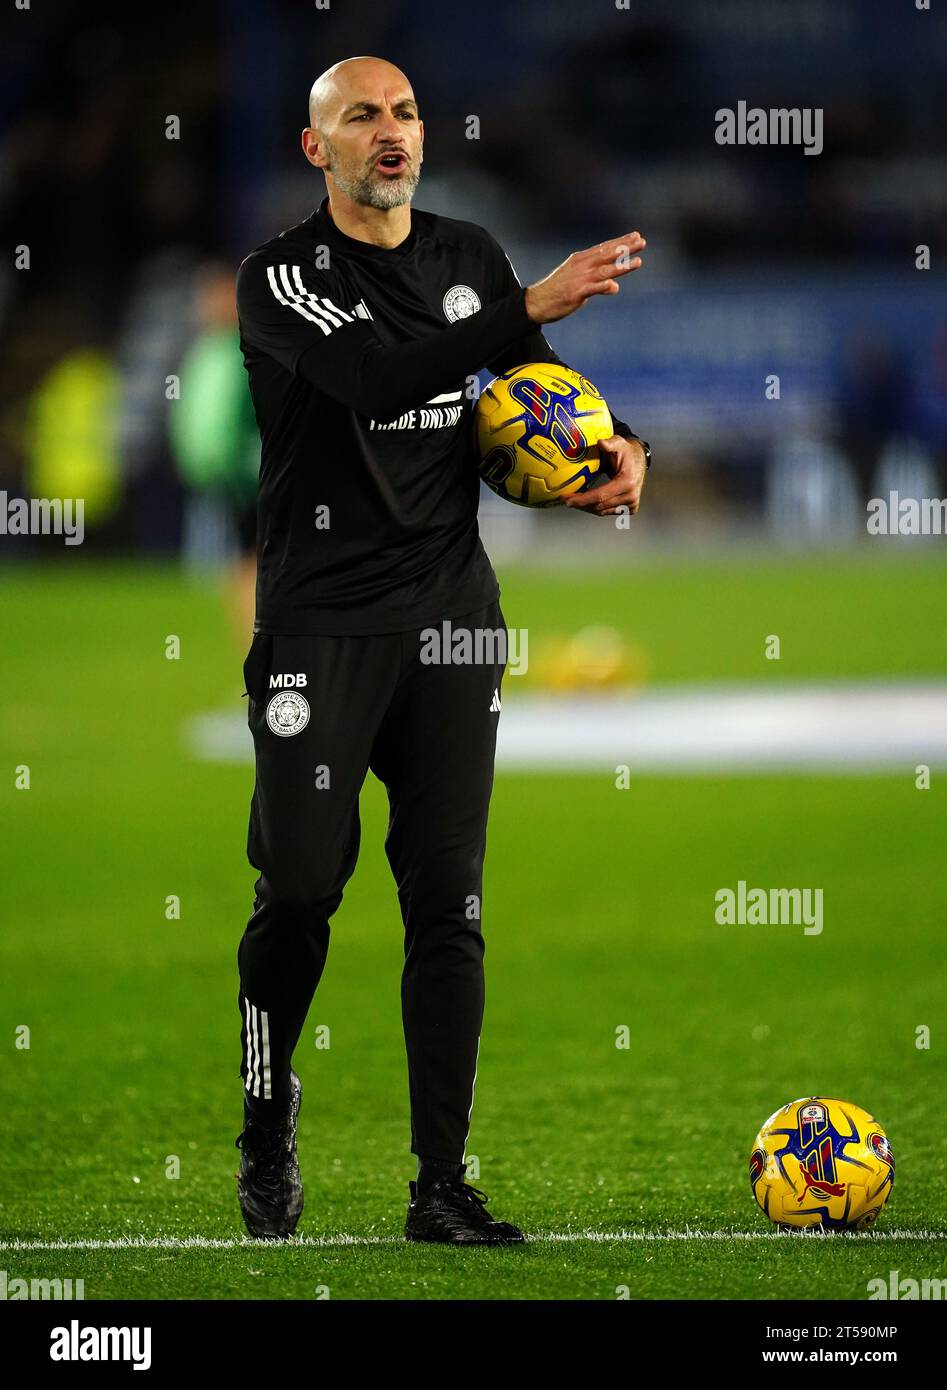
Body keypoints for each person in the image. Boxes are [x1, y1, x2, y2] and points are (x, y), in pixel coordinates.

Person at [232, 55, 650, 1245]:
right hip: (322, 623)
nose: (389, 132)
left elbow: (533, 384)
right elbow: (370, 384)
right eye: (360, 116)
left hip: (451, 619)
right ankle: (266, 1111)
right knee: (303, 888)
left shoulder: (470, 256)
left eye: (404, 112)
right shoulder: (282, 276)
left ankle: (440, 1184)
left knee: (448, 905)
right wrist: (531, 307)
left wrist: (620, 444)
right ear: (318, 149)